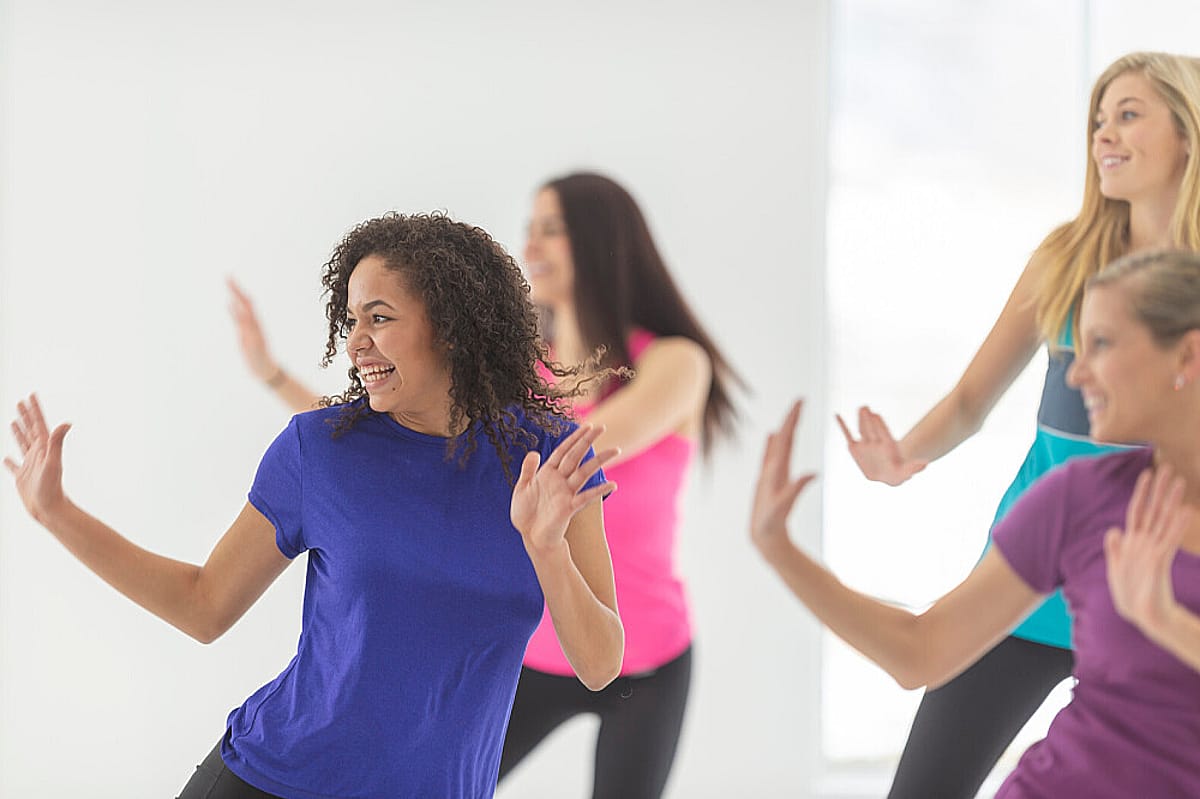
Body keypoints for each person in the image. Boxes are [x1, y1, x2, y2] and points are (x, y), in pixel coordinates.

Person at [5, 212, 625, 799]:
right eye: (351, 320)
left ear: (451, 326)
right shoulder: (320, 449)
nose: (356, 343)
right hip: (275, 781)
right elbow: (203, 606)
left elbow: (600, 665)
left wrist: (546, 548)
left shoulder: (550, 460)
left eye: (379, 318)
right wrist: (55, 511)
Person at [227, 173, 741, 799]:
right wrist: (278, 378)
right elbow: (392, 436)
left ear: (604, 242)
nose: (531, 245)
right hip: (529, 647)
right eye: (529, 229)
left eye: (552, 229)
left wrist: (487, 393)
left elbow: (574, 446)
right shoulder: (518, 373)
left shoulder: (672, 362)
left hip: (646, 649)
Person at [835, 51, 1200, 797]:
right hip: (1028, 583)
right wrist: (903, 456)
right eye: (1098, 120)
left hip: (1154, 592)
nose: (1104, 136)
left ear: (1188, 133)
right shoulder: (1064, 260)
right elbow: (972, 400)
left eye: (1129, 115)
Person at [755, 247, 1200, 799]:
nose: (1076, 373)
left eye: (1102, 344)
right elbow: (920, 651)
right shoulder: (1077, 498)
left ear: (1188, 356)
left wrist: (1165, 621)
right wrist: (780, 551)